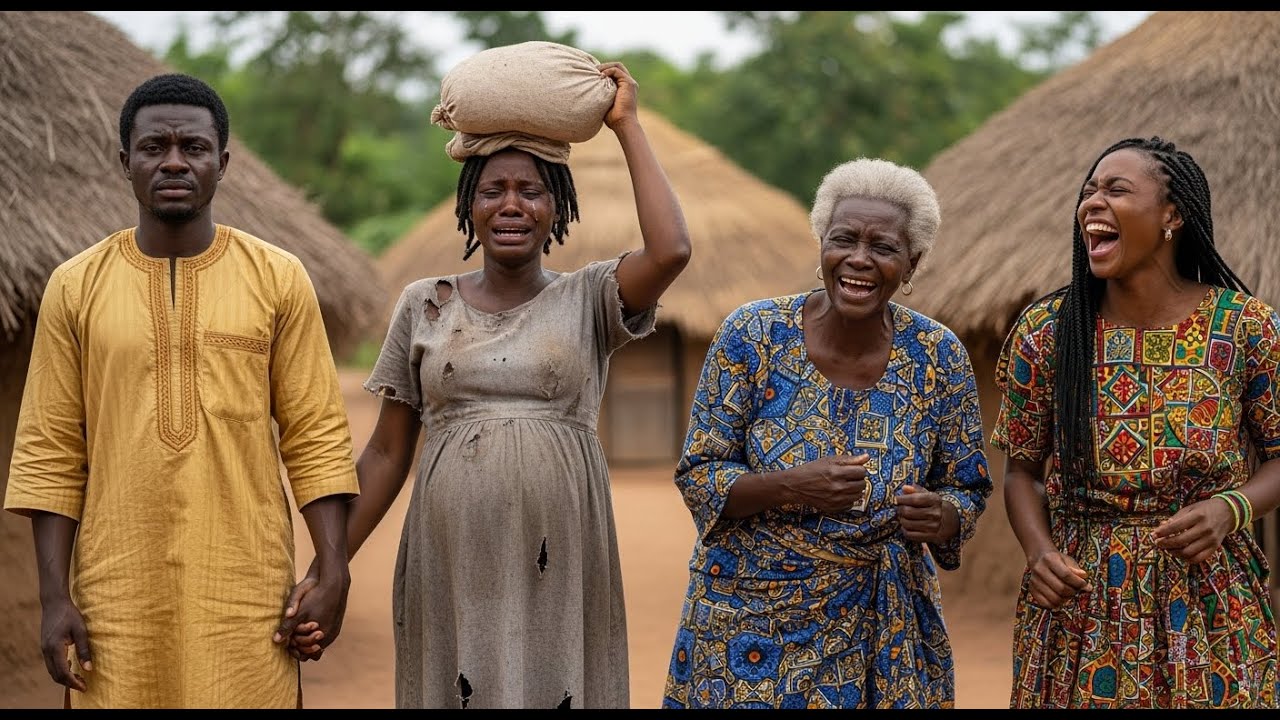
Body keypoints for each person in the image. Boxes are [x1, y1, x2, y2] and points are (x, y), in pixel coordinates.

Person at [290, 61, 691, 709]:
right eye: (493, 190)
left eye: (531, 191)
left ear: (558, 206)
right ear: (468, 206)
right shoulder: (426, 305)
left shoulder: (590, 298)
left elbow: (671, 250)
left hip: (562, 552)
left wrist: (628, 126)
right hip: (452, 559)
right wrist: (328, 570)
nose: (511, 204)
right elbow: (388, 453)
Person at [3, 73, 360, 709]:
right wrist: (54, 598)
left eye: (193, 147)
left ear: (222, 163)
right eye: (154, 147)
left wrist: (334, 568)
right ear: (124, 162)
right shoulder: (74, 286)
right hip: (114, 596)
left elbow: (316, 435)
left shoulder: (278, 278)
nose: (173, 161)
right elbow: (51, 450)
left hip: (247, 592)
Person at [659, 158, 992, 709]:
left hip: (886, 628)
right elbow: (700, 474)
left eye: (883, 247)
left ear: (912, 263)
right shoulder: (754, 335)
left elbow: (968, 486)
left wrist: (943, 514)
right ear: (821, 247)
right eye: (843, 239)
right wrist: (791, 485)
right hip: (749, 624)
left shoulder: (938, 356)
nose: (859, 259)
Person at [993, 136, 1279, 708]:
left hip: (1209, 600)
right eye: (1090, 190)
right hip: (1081, 604)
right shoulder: (1051, 331)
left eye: (1116, 189)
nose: (1092, 202)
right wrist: (1039, 551)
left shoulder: (1244, 327)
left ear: (1172, 214)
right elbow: (1021, 470)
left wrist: (1232, 508)